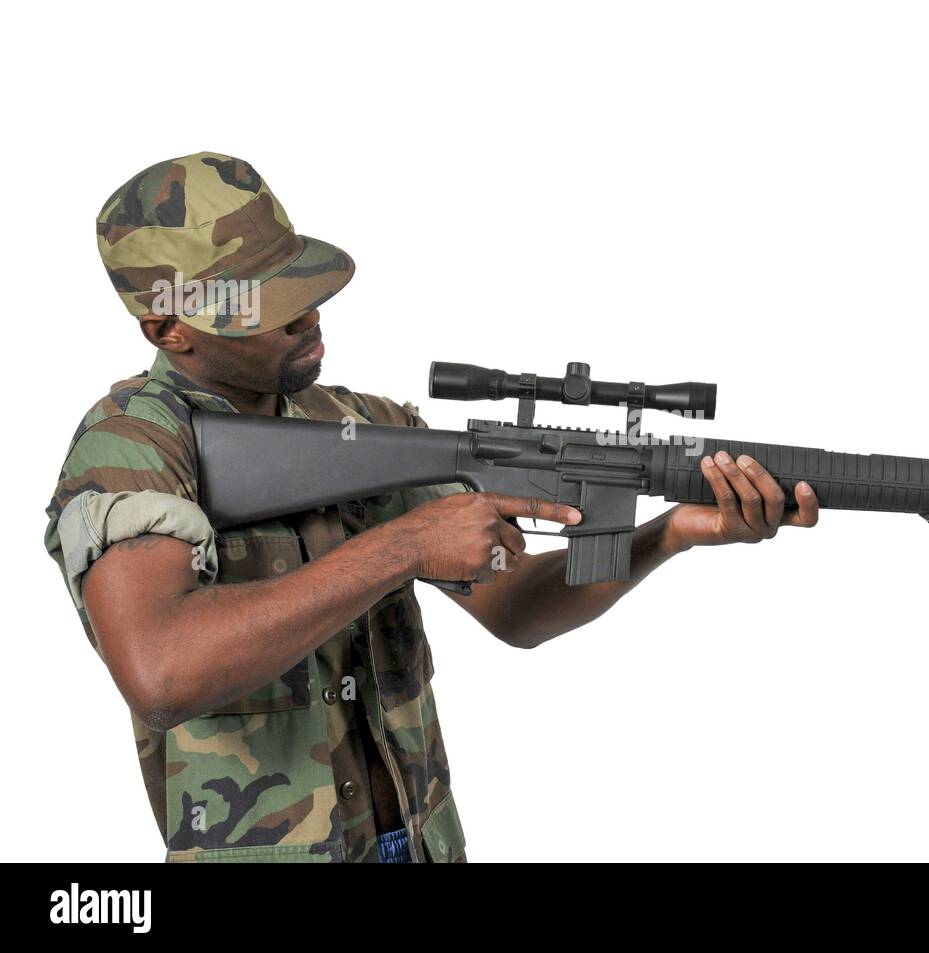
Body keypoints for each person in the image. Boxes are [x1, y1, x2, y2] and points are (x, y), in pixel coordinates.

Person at [45, 152, 820, 863]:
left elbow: (515, 608)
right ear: (168, 326)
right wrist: (404, 546)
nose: (307, 314)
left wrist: (670, 533)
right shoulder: (129, 447)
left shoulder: (365, 426)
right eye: (264, 306)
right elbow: (161, 671)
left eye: (300, 287)